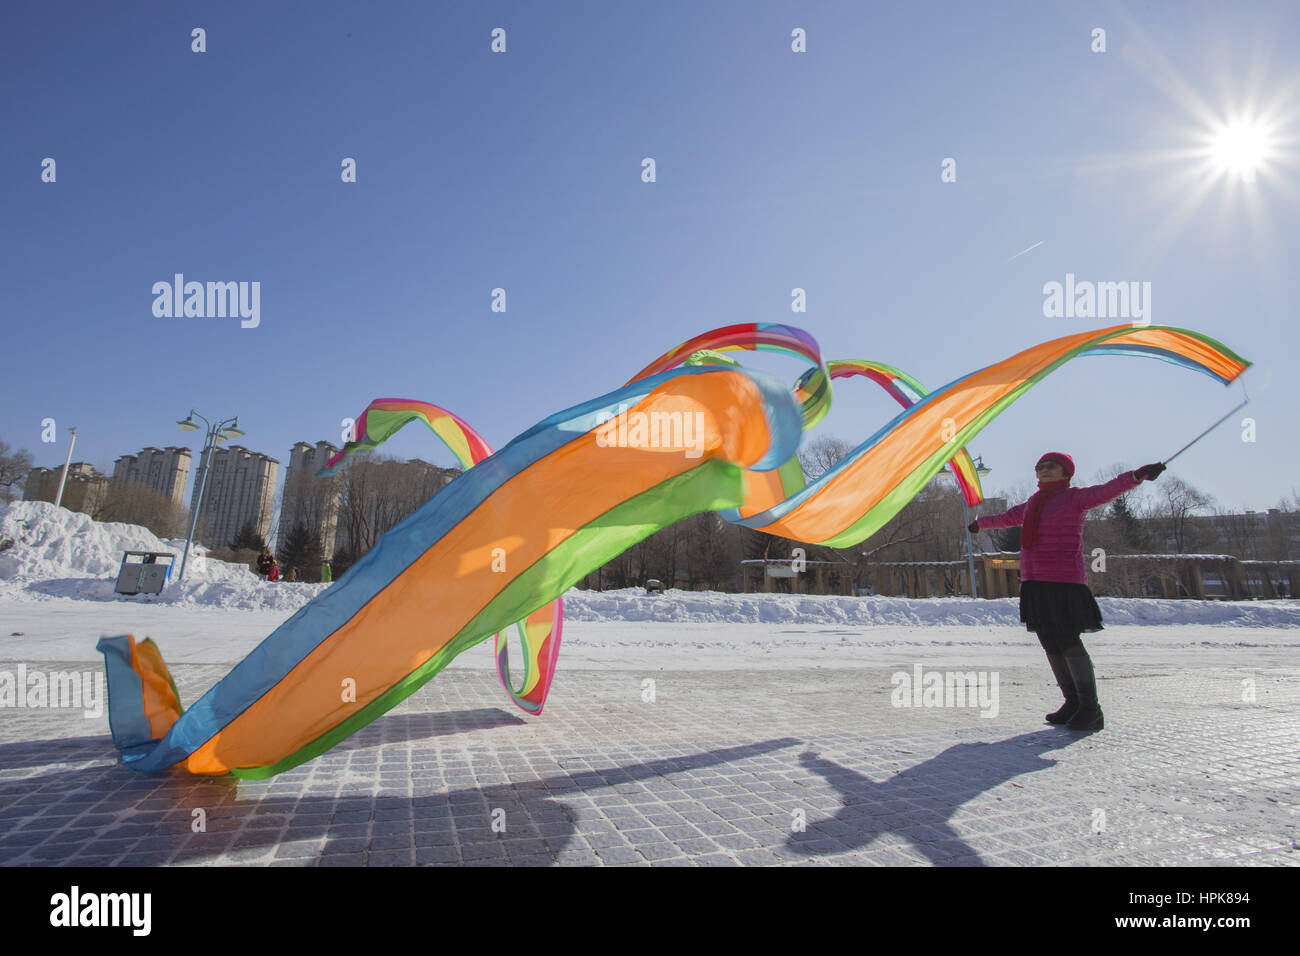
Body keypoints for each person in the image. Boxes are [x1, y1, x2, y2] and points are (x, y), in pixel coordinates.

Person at [969, 452, 1166, 732]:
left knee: (1068, 641)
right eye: (1039, 467)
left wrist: (1136, 476)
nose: (1043, 470)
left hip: (1063, 581)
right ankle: (1072, 702)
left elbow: (1106, 490)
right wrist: (981, 524)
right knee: (1049, 641)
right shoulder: (1033, 503)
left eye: (1051, 466)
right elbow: (1008, 517)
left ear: (1066, 473)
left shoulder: (1075, 498)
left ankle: (1090, 708)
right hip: (1035, 582)